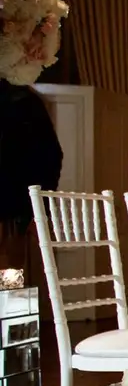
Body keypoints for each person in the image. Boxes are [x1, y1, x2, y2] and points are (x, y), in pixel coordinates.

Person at [0, 79, 63, 270]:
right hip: (17, 216)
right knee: (12, 286)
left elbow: (49, 158)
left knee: (11, 284)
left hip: (14, 218)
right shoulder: (25, 100)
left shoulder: (24, 101)